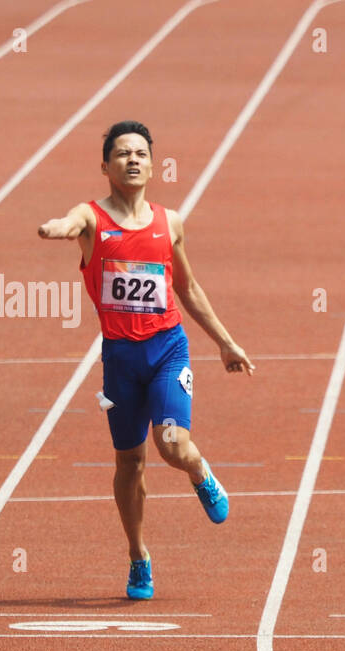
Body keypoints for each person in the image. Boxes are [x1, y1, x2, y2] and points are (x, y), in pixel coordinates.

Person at [38, 120, 253, 600]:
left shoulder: (169, 222)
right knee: (130, 464)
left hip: (167, 348)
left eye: (140, 153)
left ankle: (200, 472)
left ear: (153, 165)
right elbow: (72, 222)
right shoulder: (92, 218)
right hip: (120, 360)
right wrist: (59, 228)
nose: (132, 160)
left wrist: (225, 342)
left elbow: (189, 288)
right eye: (122, 153)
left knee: (173, 444)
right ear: (105, 165)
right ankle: (139, 557)